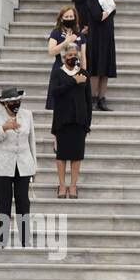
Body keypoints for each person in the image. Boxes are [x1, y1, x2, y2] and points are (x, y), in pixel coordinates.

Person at [0, 87, 35, 248]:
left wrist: (34, 166)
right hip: (1, 165)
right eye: (12, 102)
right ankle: (3, 237)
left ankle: (25, 238)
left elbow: (31, 141)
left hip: (23, 164)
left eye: (17, 101)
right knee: (4, 202)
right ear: (4, 103)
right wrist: (3, 128)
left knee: (23, 202)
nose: (15, 104)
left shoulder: (27, 115)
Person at [47, 41, 92, 199]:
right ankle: (62, 184)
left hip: (79, 120)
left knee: (76, 155)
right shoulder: (58, 73)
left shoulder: (84, 74)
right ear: (64, 56)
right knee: (62, 155)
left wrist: (88, 124)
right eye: (70, 55)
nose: (73, 57)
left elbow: (88, 101)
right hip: (62, 120)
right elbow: (55, 92)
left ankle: (73, 185)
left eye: (75, 54)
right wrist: (73, 81)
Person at [81, 0, 118, 112]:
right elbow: (98, 16)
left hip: (107, 36)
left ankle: (102, 99)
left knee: (105, 69)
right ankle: (92, 98)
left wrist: (110, 7)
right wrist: (109, 9)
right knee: (96, 68)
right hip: (96, 36)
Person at [45, 5, 86, 113]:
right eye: (66, 17)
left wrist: (84, 73)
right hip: (60, 70)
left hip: (75, 71)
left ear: (75, 17)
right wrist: (66, 42)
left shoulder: (80, 35)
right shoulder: (56, 32)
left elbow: (83, 57)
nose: (69, 19)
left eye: (71, 16)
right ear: (61, 18)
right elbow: (51, 52)